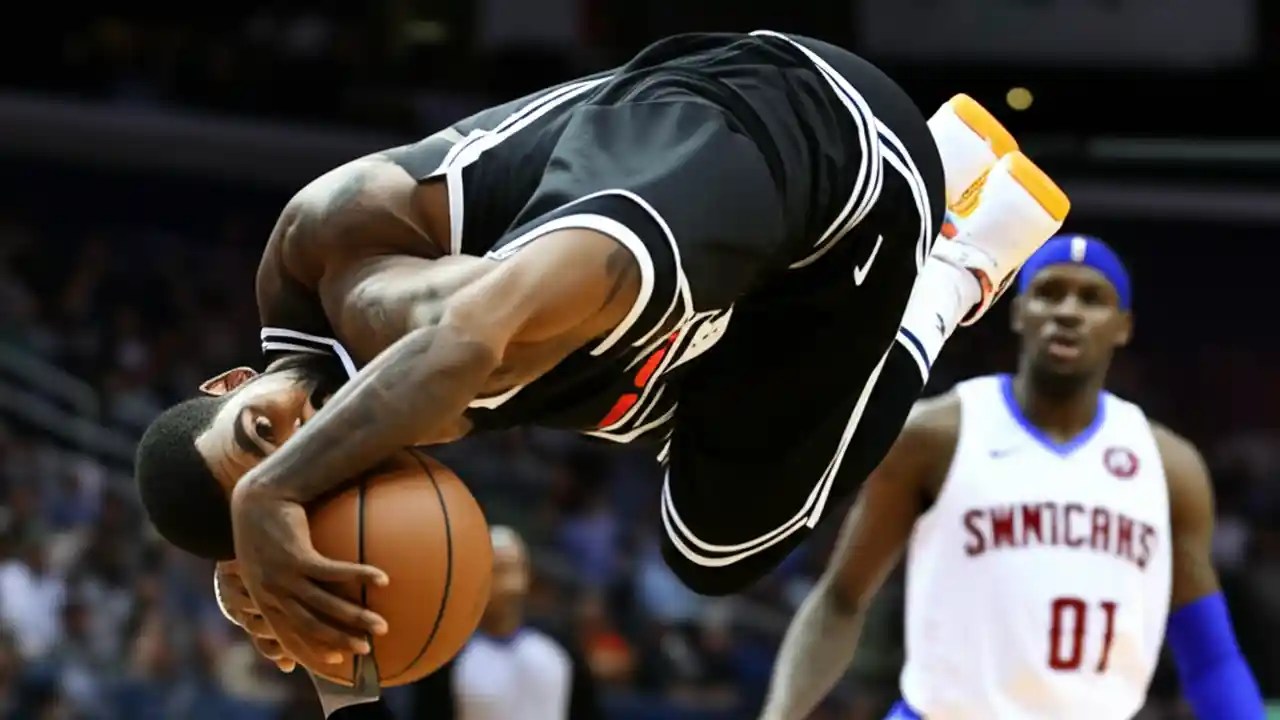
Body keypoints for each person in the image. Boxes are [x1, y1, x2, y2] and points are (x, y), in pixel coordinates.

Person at [133, 28, 1072, 678]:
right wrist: (262, 568)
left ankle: (945, 245)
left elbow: (467, 337)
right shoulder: (372, 444)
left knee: (505, 339)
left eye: (263, 430)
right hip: (756, 283)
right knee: (717, 549)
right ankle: (940, 278)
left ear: (232, 379)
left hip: (779, 127)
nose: (302, 444)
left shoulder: (339, 264)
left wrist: (269, 493)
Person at [757, 236, 1266, 720]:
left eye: (1092, 299)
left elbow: (1210, 656)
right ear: (1019, 312)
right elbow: (842, 598)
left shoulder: (1167, 465)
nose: (1067, 312)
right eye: (1048, 293)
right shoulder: (938, 435)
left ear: (1123, 326)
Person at [411, 525, 602, 719]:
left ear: (527, 575)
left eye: (512, 569)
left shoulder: (560, 644)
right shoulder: (445, 658)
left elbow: (587, 709)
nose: (506, 584)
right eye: (496, 571)